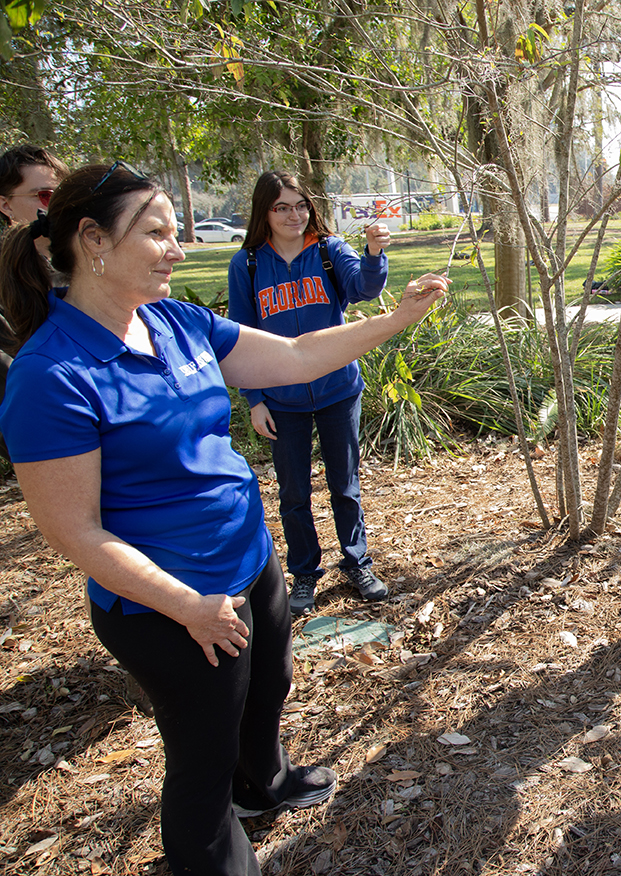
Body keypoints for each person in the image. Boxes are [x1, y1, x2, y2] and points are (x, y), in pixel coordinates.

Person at [0, 162, 447, 875]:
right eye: (157, 233)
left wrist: (395, 318)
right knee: (201, 760)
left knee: (268, 689)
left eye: (176, 232)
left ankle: (264, 784)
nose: (177, 249)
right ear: (92, 241)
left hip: (247, 559)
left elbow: (297, 355)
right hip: (168, 607)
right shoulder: (51, 376)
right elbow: (72, 531)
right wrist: (189, 607)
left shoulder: (174, 321)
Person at [227, 170, 391, 617]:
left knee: (345, 484)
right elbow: (240, 335)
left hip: (338, 390)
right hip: (281, 401)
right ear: (264, 212)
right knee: (294, 492)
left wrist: (374, 252)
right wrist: (254, 399)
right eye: (281, 207)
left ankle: (357, 562)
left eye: (300, 205)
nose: (293, 215)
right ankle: (304, 572)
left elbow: (363, 288)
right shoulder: (247, 264)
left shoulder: (328, 250)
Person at [0, 145, 69, 461]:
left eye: (62, 193)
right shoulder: (7, 278)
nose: (55, 205)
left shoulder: (94, 261)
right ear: (5, 205)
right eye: (43, 196)